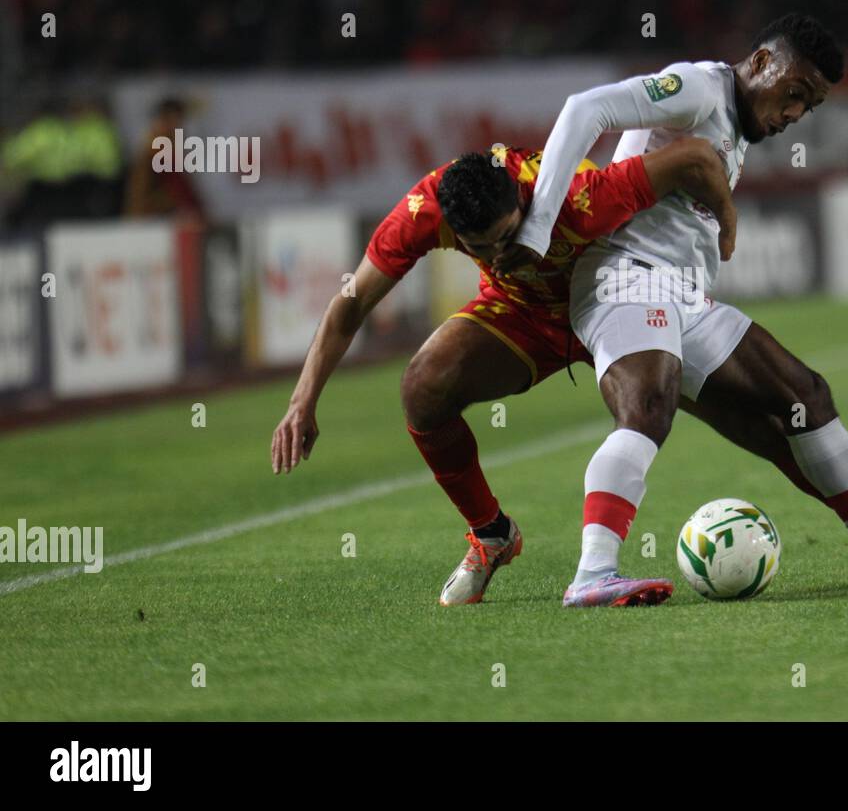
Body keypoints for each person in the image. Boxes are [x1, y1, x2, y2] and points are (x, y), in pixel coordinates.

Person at [502, 13, 848, 608]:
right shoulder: (698, 88)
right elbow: (584, 108)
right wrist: (540, 224)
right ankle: (593, 573)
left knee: (806, 397)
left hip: (683, 297)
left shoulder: (734, 126)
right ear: (759, 63)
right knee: (648, 405)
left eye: (809, 106)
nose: (794, 114)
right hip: (624, 278)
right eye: (794, 93)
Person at [270, 138, 735, 606]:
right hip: (523, 314)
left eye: (507, 235)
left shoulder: (574, 189)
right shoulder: (424, 209)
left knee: (746, 405)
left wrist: (721, 228)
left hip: (614, 299)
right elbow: (349, 306)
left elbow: (686, 163)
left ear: (519, 198)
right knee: (422, 386)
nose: (497, 253)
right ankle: (491, 533)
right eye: (480, 246)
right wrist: (301, 403)